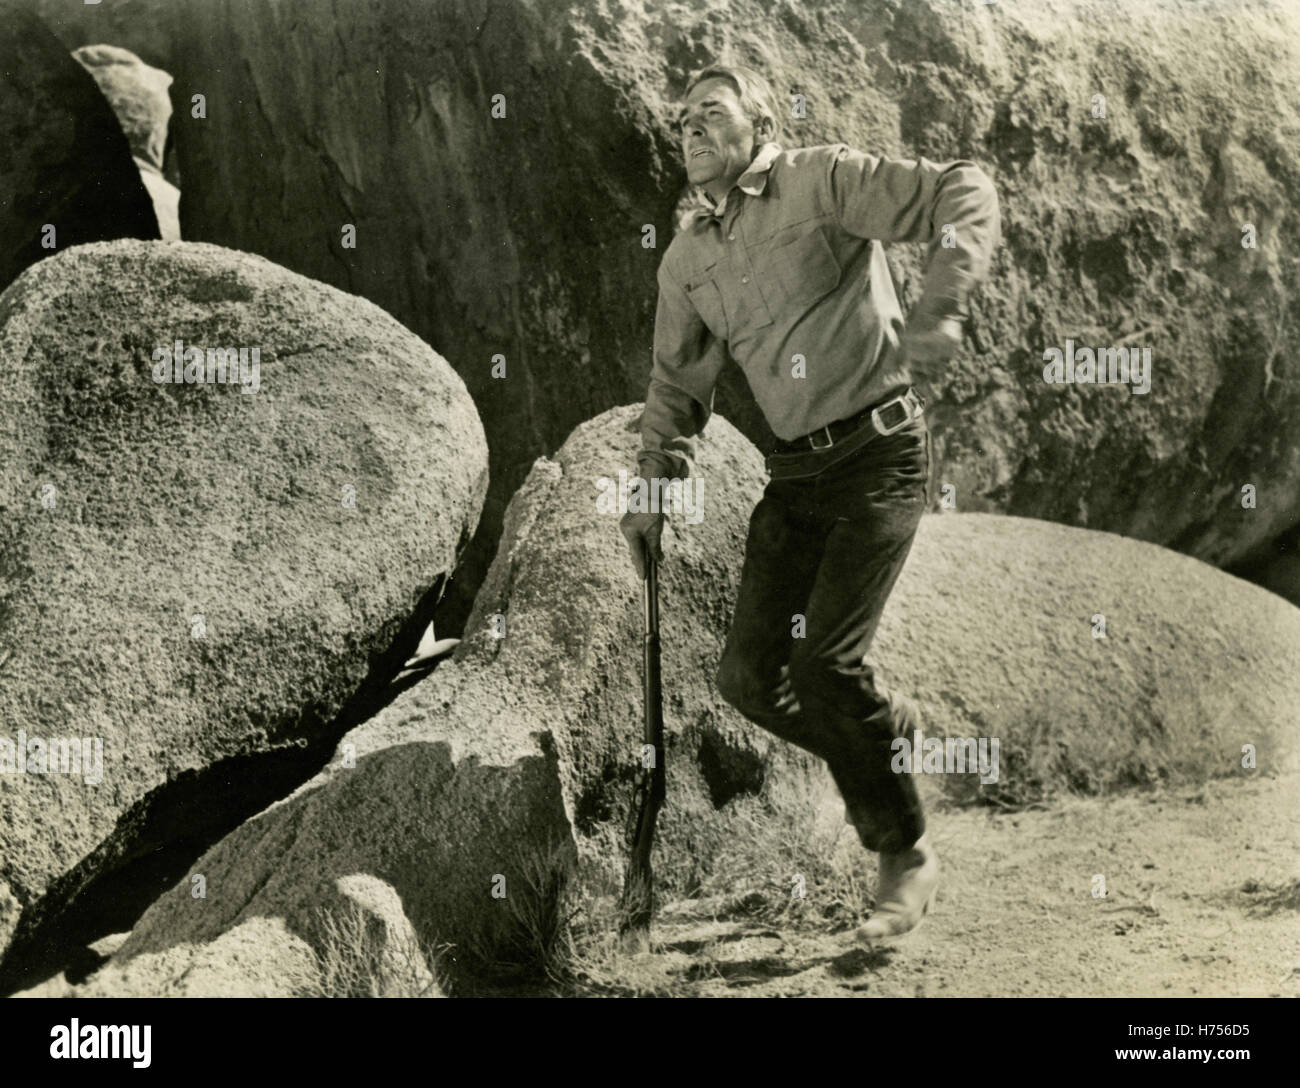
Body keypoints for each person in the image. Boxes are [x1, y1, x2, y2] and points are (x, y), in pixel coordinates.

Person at [621, 63, 1000, 940]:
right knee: (750, 680)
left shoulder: (818, 180)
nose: (691, 128)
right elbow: (676, 389)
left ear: (757, 123)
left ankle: (903, 855)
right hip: (794, 476)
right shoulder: (685, 261)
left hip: (881, 455)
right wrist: (648, 494)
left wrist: (941, 305)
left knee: (824, 669)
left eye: (711, 113)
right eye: (681, 121)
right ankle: (883, 736)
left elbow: (963, 188)